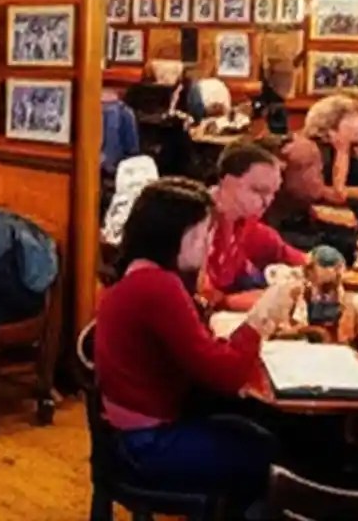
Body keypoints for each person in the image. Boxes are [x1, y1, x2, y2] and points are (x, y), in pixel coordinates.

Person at [95, 177, 301, 515]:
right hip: (145, 446)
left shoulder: (141, 273)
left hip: (129, 433)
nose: (209, 245)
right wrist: (260, 318)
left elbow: (202, 353)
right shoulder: (158, 287)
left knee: (260, 426)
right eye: (204, 234)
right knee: (270, 451)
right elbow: (226, 374)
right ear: (177, 236)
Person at [203, 142, 307, 312]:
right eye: (258, 191)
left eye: (273, 193)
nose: (267, 202)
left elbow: (282, 251)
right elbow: (201, 295)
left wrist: (318, 264)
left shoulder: (245, 221)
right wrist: (230, 302)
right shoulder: (197, 223)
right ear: (227, 181)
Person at [269, 95, 358, 259]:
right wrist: (343, 148)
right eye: (354, 121)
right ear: (333, 124)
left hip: (303, 222)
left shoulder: (324, 148)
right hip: (287, 231)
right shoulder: (306, 150)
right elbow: (326, 195)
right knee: (354, 243)